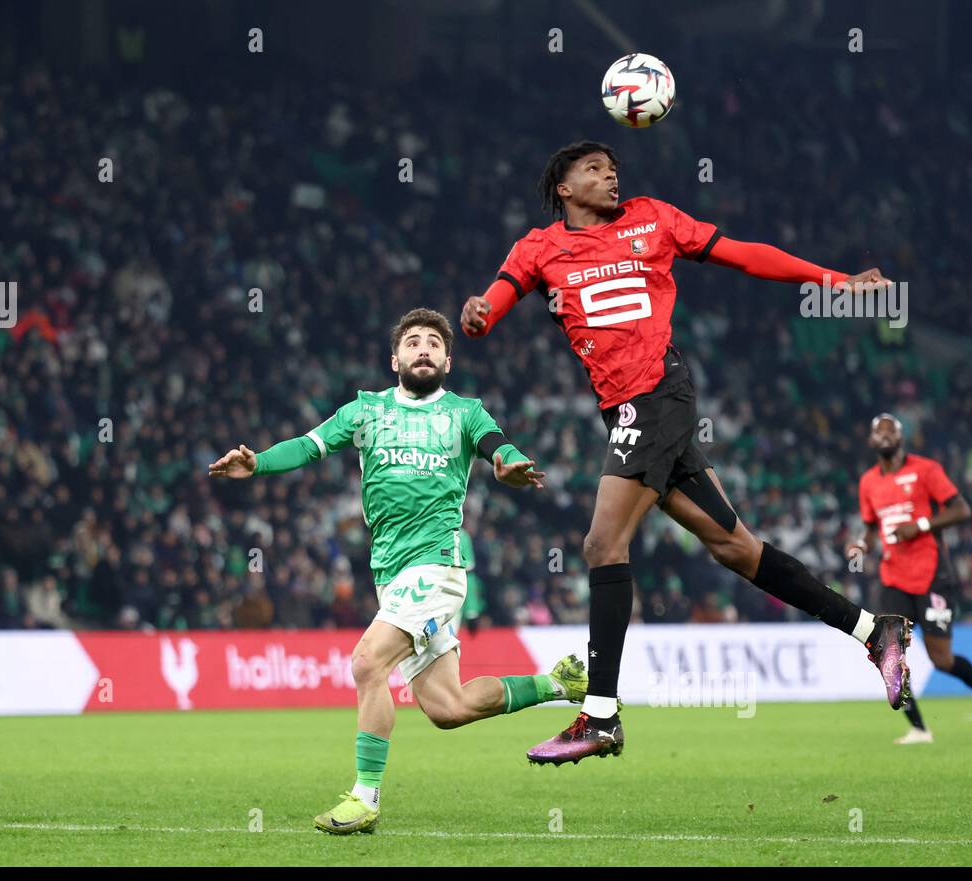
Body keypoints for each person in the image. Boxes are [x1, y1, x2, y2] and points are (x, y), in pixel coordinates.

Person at [459, 141, 913, 766]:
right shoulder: (539, 248)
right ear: (563, 188)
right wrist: (479, 315)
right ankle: (873, 629)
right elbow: (491, 307)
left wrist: (833, 280)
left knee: (600, 545)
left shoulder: (655, 218)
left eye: (613, 166)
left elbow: (746, 256)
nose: (610, 174)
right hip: (626, 410)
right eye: (593, 168)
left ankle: (599, 715)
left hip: (657, 396)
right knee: (736, 549)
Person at [210, 308, 589, 833]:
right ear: (396, 359)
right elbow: (308, 445)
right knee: (447, 708)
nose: (424, 349)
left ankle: (365, 798)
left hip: (437, 565)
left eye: (435, 343)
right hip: (391, 574)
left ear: (448, 361)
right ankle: (559, 682)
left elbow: (497, 446)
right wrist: (259, 463)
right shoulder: (365, 411)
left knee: (367, 664)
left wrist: (510, 462)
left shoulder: (464, 412)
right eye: (413, 342)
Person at [846, 413, 972, 743]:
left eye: (892, 432)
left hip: (932, 574)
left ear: (902, 438)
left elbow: (961, 509)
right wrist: (862, 544)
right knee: (889, 655)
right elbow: (871, 529)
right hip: (893, 578)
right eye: (880, 433)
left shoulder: (926, 470)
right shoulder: (868, 482)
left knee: (941, 659)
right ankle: (919, 729)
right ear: (871, 441)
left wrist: (920, 526)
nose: (885, 437)